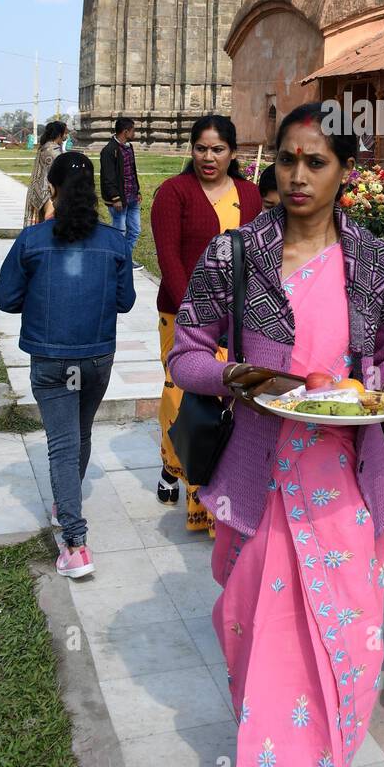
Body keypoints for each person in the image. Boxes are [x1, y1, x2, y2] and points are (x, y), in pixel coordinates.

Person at [168, 103, 384, 767]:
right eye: (287, 159)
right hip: (260, 475)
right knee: (257, 629)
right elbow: (185, 356)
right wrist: (239, 377)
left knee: (352, 632)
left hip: (347, 481)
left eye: (317, 161)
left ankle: (325, 754)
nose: (299, 175)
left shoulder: (377, 262)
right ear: (272, 163)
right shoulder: (235, 256)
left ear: (344, 171)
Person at [0, 153, 136, 577]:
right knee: (80, 433)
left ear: (51, 191)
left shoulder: (32, 240)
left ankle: (75, 543)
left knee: (62, 442)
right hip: (95, 358)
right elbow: (126, 301)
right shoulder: (115, 242)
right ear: (93, 193)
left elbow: (6, 299)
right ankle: (66, 504)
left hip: (52, 359)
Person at [150, 115, 262, 532]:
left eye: (218, 149)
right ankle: (173, 464)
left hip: (239, 317)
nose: (208, 157)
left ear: (233, 153)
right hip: (182, 315)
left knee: (228, 403)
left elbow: (260, 253)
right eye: (201, 148)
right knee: (182, 398)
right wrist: (195, 316)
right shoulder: (173, 193)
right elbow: (169, 258)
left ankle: (219, 503)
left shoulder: (249, 195)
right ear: (191, 149)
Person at [100, 117, 143, 265]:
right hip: (119, 199)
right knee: (119, 233)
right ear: (126, 131)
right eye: (133, 130)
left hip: (132, 197)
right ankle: (115, 260)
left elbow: (131, 171)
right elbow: (108, 177)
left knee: (135, 231)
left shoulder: (129, 147)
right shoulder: (109, 150)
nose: (135, 133)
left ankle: (125, 259)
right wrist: (115, 197)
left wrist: (138, 191)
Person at [24, 121, 67, 226]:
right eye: (65, 133)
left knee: (38, 227)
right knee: (46, 226)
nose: (67, 136)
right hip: (45, 194)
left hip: (37, 191)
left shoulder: (46, 147)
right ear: (59, 134)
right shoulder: (52, 151)